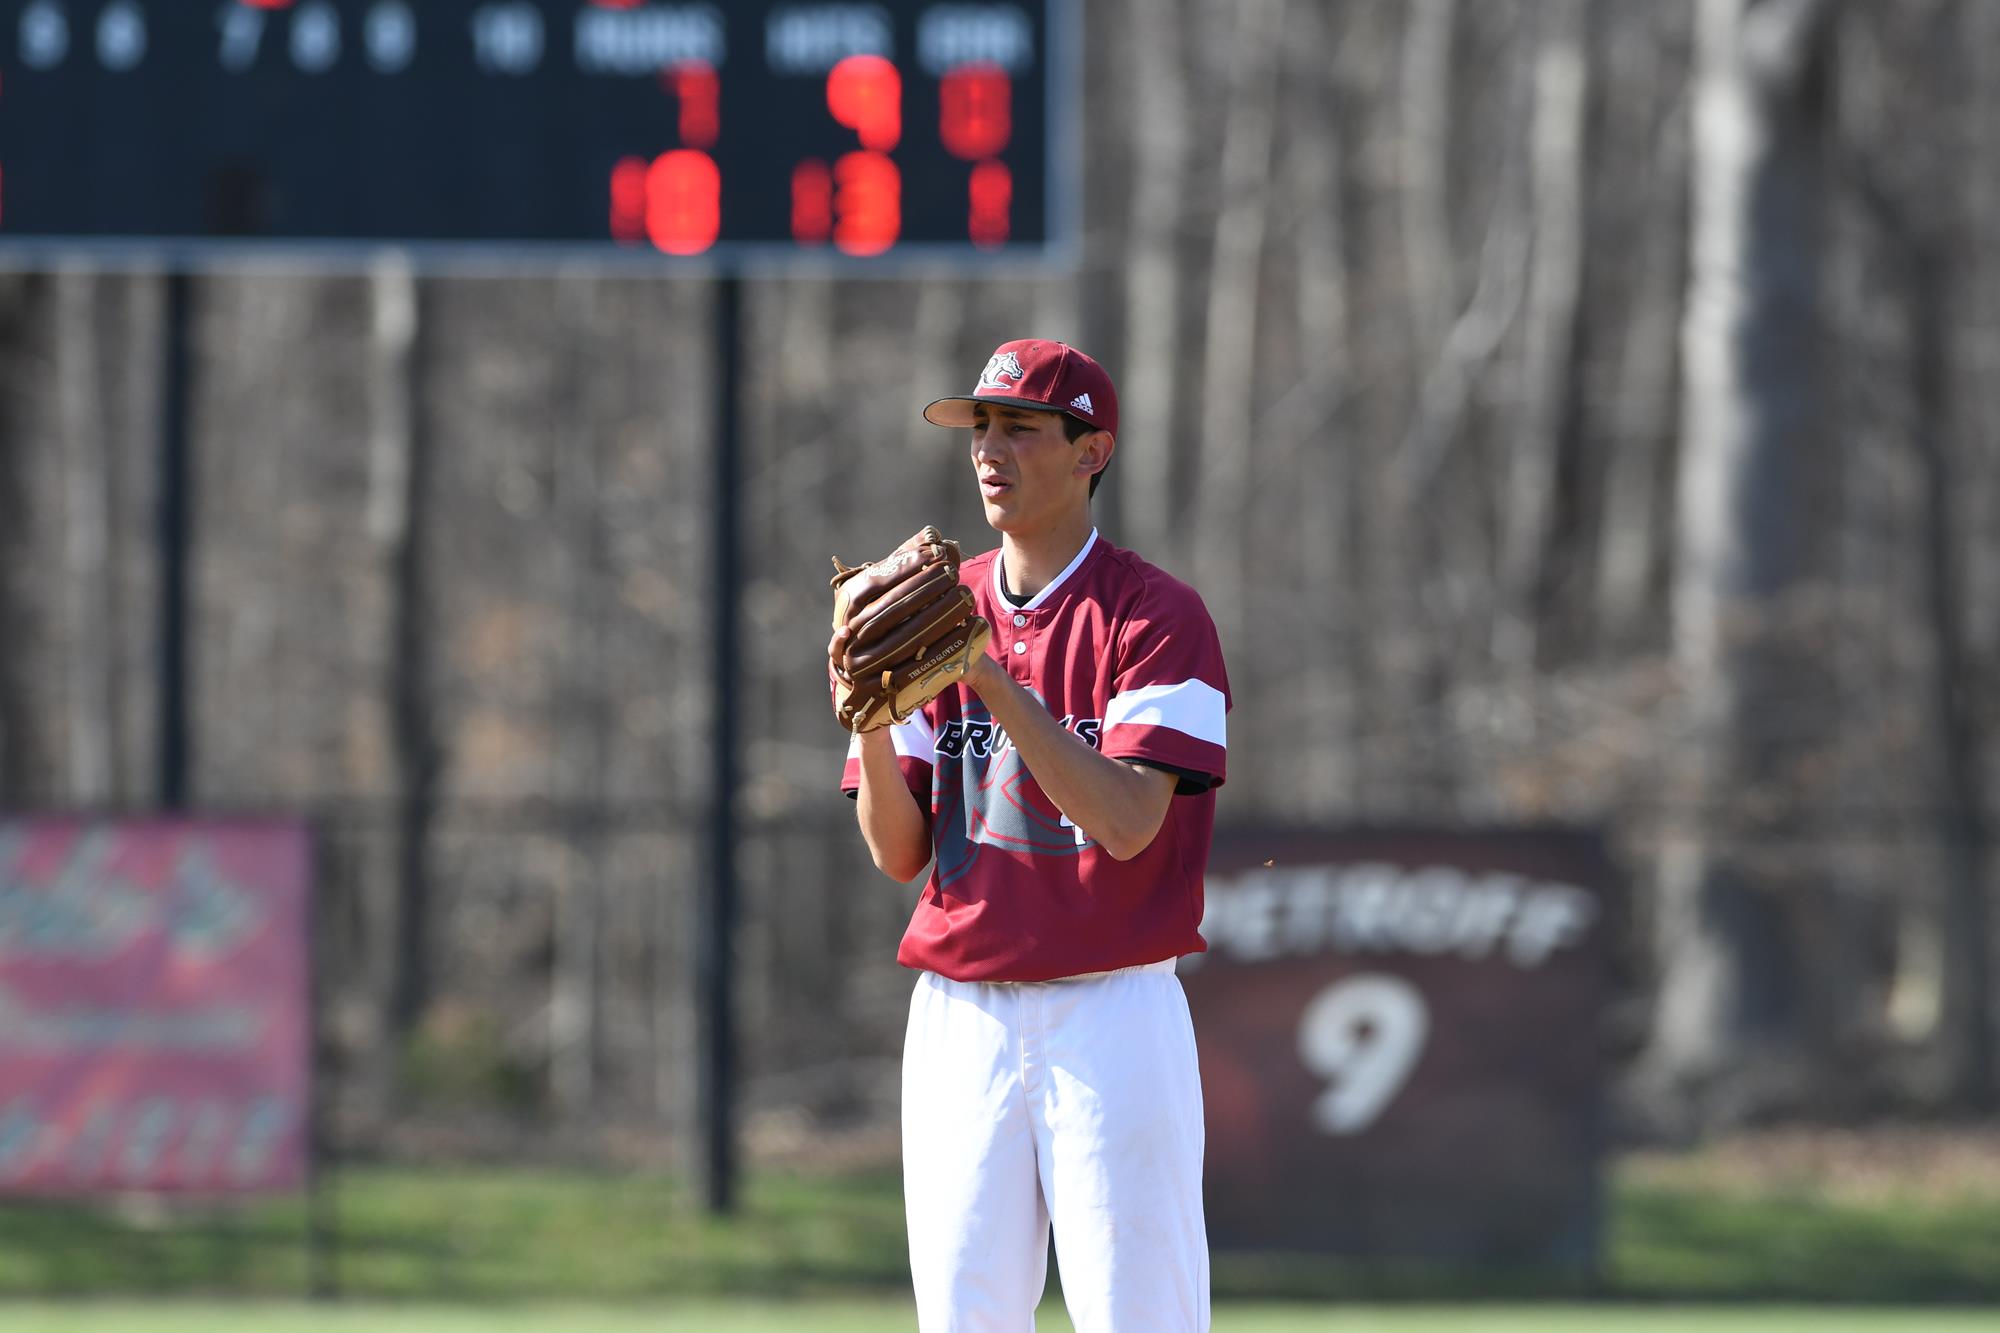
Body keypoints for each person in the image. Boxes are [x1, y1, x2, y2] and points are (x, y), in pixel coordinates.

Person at [835, 339, 1230, 1332]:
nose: (989, 450)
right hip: (959, 1017)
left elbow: (1130, 822)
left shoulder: (1152, 615)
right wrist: (867, 726)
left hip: (1110, 1011)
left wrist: (993, 685)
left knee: (1135, 1315)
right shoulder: (935, 606)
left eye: (1020, 427)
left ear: (1090, 452)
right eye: (980, 427)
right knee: (963, 1318)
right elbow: (898, 852)